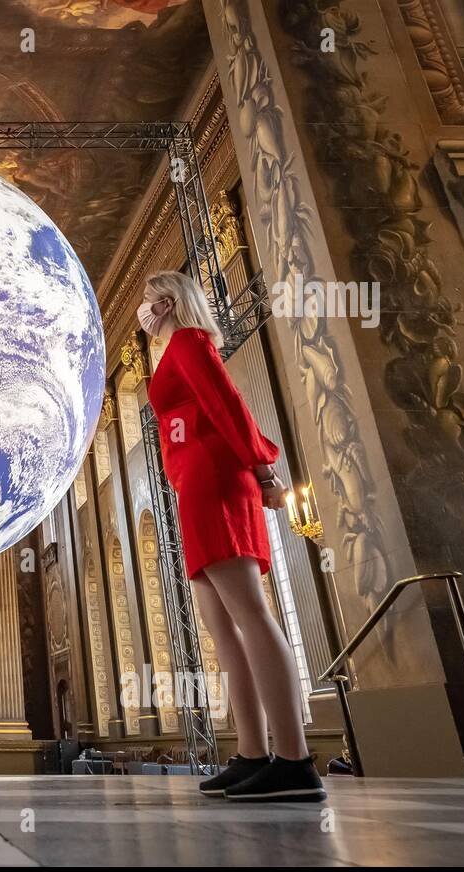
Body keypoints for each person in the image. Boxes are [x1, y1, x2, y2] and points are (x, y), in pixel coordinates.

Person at [140, 270, 325, 803]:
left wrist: (263, 468)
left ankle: (294, 758)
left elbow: (229, 408)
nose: (145, 312)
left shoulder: (189, 340)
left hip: (216, 478)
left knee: (251, 614)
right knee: (223, 629)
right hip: (192, 485)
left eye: (150, 301)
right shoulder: (173, 348)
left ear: (170, 301)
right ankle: (251, 753)